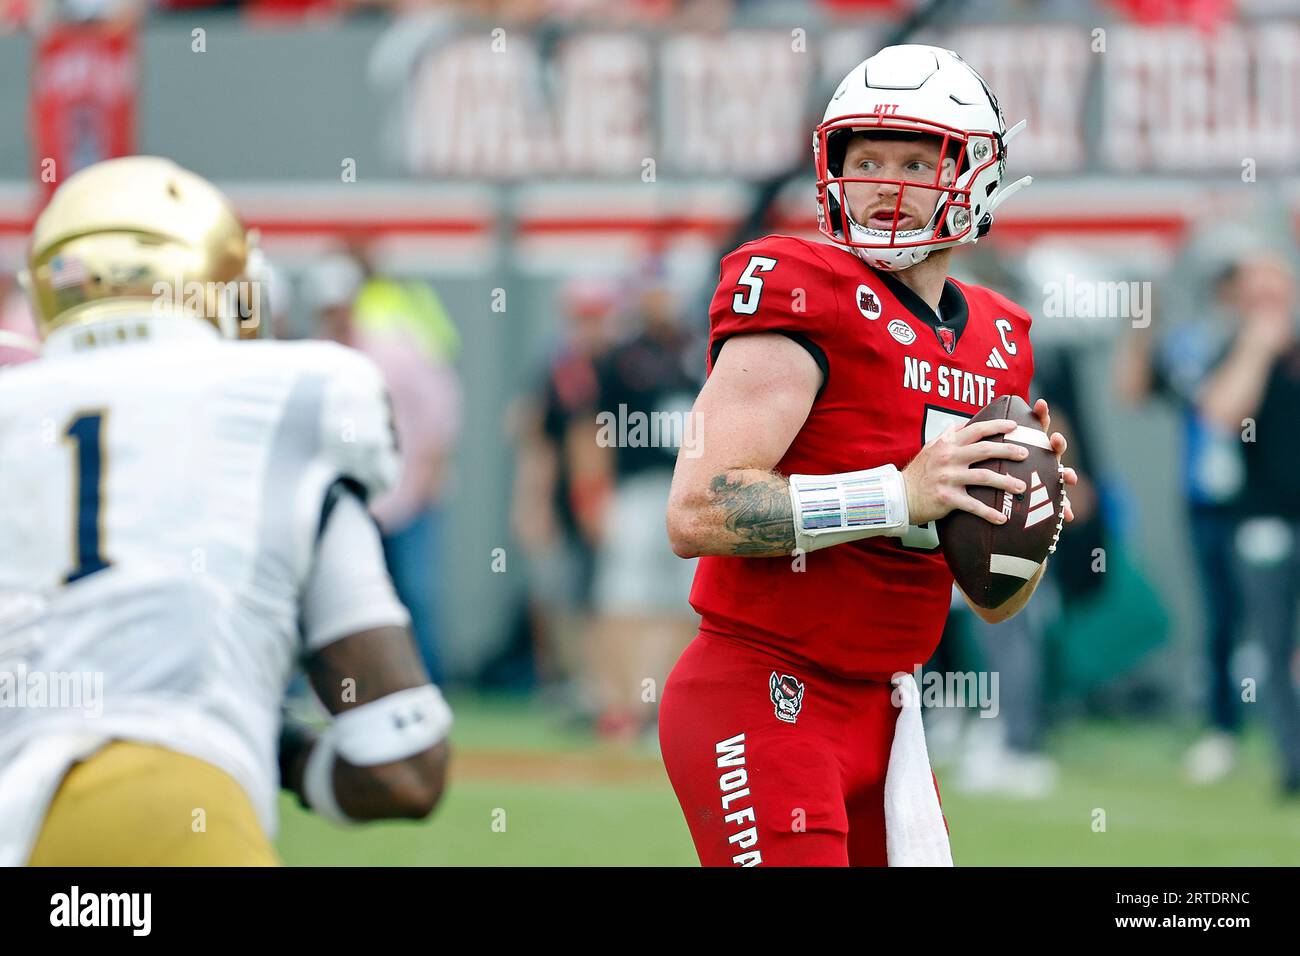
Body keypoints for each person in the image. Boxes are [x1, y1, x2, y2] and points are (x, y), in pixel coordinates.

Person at [660, 45, 1078, 867]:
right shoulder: (796, 285)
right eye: (866, 158)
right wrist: (898, 495)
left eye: (916, 161)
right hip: (764, 686)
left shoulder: (998, 339)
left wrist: (1023, 521)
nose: (885, 181)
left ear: (976, 175)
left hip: (889, 708)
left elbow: (993, 605)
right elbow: (698, 510)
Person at [0, 157, 451, 866]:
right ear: (220, 283)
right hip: (167, 804)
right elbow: (404, 763)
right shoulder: (289, 401)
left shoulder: (16, 412)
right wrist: (287, 749)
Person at [1196, 255, 1300, 798]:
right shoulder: (1235, 352)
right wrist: (1258, 346)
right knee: (1274, 646)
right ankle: (1293, 764)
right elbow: (1220, 414)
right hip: (1264, 522)